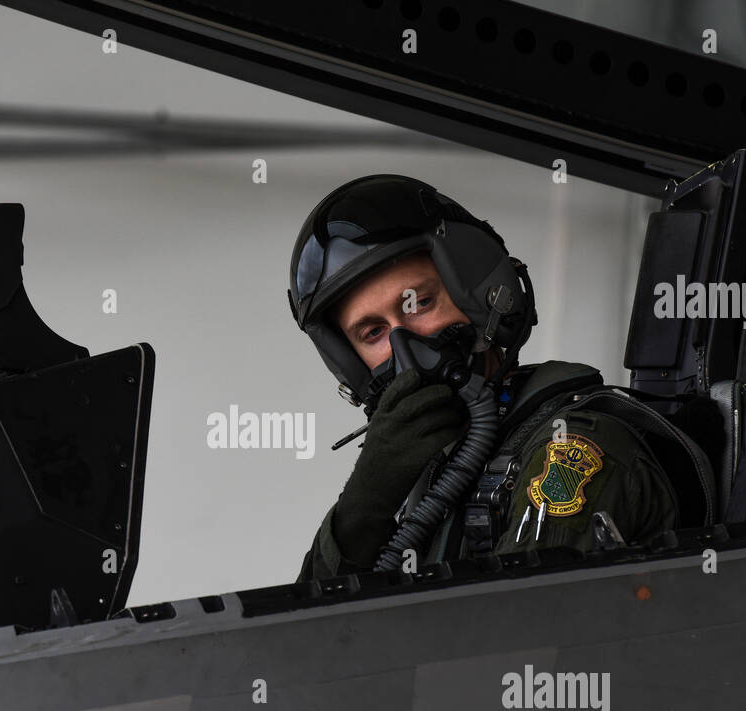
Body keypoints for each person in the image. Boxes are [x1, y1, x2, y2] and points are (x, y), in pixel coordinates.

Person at [289, 174, 714, 582]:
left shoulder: (572, 449)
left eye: (418, 303)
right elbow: (307, 638)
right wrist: (365, 503)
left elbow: (521, 634)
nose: (405, 348)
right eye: (373, 332)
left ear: (481, 292)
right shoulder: (433, 470)